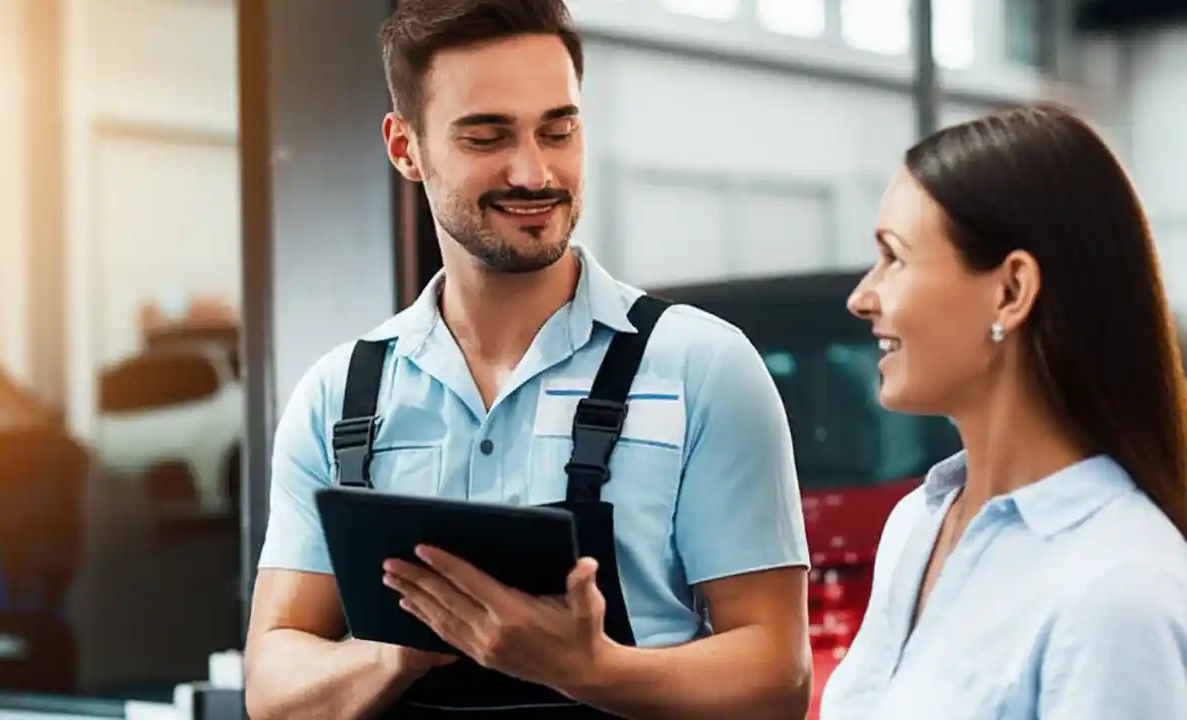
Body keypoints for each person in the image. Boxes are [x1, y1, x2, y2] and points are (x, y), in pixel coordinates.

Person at [242, 1, 813, 718]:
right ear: (405, 148)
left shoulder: (703, 368)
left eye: (558, 129)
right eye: (487, 136)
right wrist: (412, 640)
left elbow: (779, 678)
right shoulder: (339, 397)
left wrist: (592, 668)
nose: (534, 171)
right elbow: (272, 689)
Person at [820, 104, 1187, 719]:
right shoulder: (918, 524)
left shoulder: (1120, 593)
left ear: (1011, 291)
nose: (862, 297)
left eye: (895, 257)